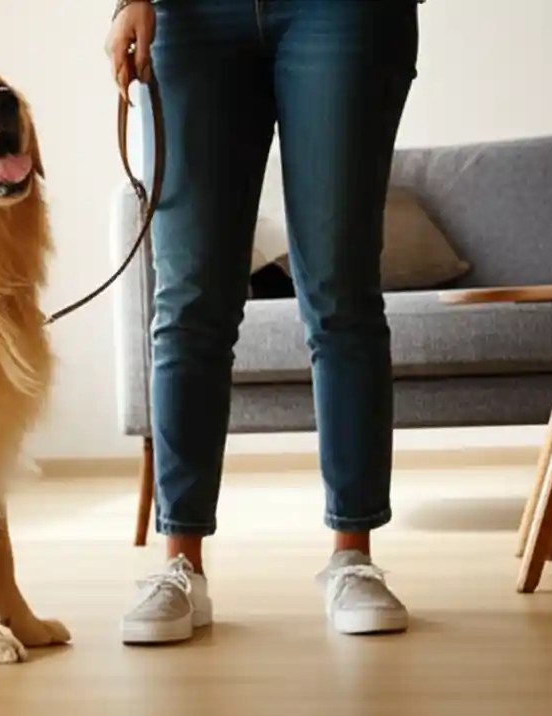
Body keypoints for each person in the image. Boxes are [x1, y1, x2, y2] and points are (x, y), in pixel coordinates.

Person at [105, 0, 421, 643]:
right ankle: (179, 566)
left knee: (341, 289)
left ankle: (352, 556)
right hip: (191, 17)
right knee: (188, 299)